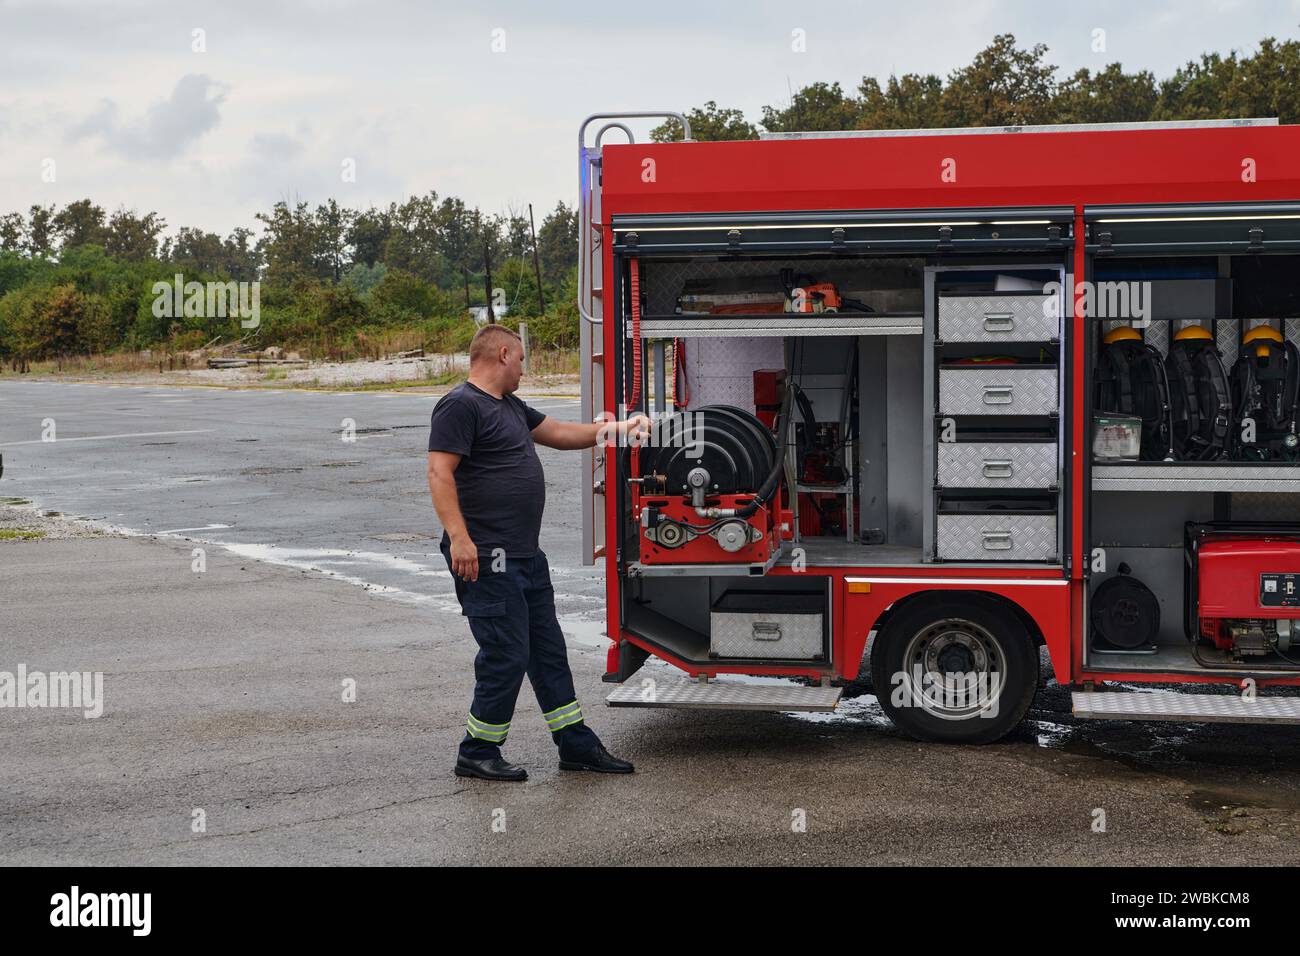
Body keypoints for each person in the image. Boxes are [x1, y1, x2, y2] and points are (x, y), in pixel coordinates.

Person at [427, 324, 649, 781]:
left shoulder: (509, 407)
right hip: (487, 558)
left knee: (547, 651)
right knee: (506, 652)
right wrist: (461, 538)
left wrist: (620, 429)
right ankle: (478, 749)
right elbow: (438, 472)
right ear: (504, 354)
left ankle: (575, 743)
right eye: (523, 360)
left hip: (526, 556)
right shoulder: (459, 405)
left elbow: (563, 433)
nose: (525, 369)